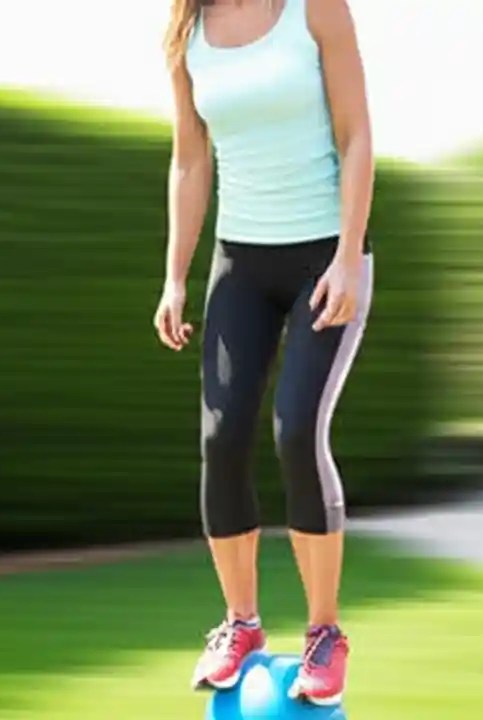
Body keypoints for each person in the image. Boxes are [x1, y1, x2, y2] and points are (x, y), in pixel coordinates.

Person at [154, 0, 374, 707]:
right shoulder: (186, 32)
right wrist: (175, 278)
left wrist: (347, 256)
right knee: (221, 439)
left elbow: (357, 134)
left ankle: (325, 634)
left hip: (325, 259)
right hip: (240, 265)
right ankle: (241, 623)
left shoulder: (316, 9)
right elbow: (190, 159)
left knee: (297, 429)